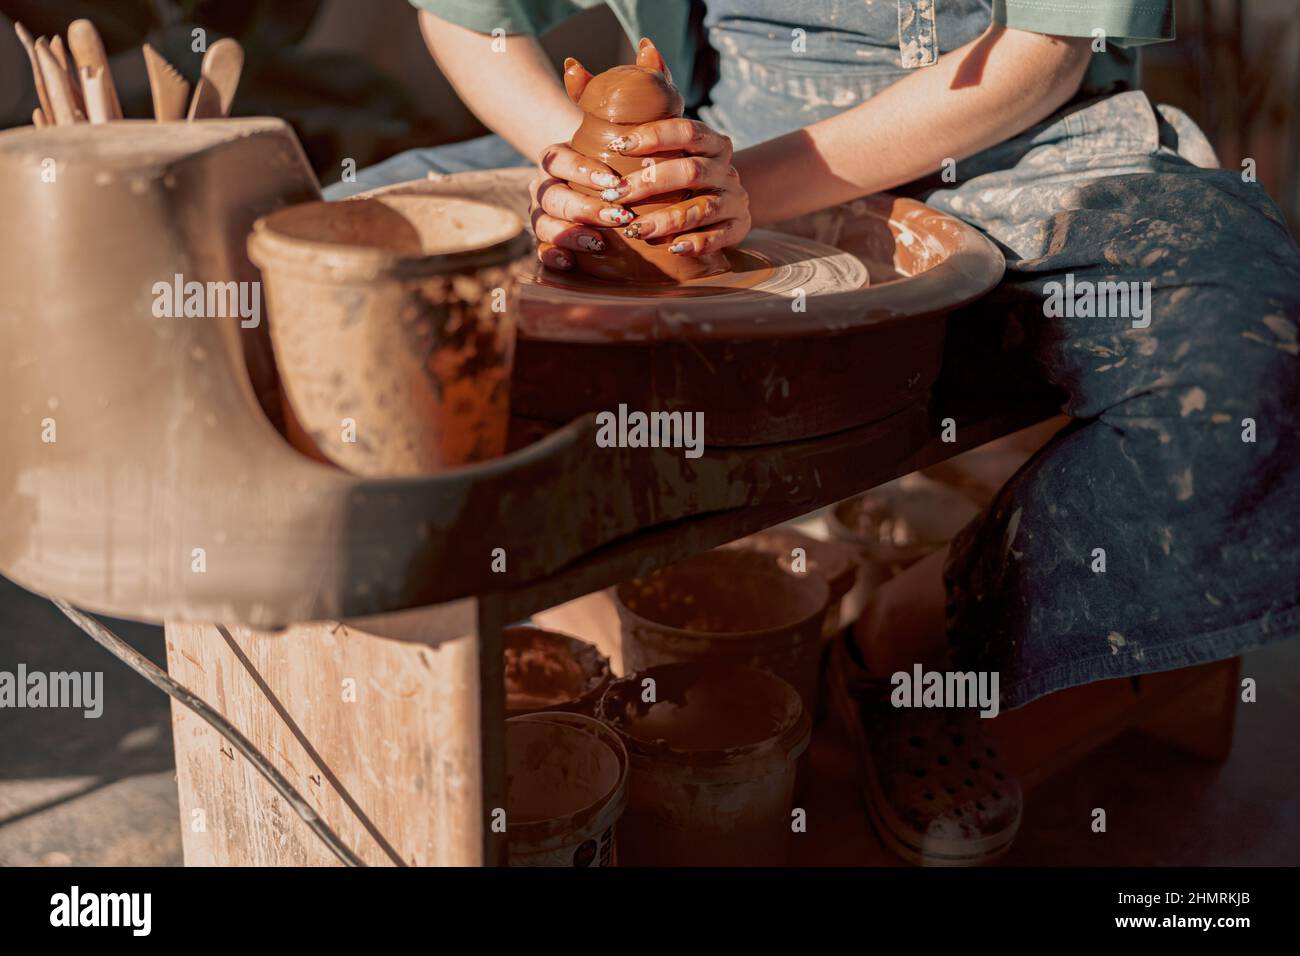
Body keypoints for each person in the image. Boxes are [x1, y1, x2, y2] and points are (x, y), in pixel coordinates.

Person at [331, 0, 1300, 864]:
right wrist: (594, 171)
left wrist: (742, 194)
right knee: (312, 262)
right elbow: (468, 16)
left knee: (1243, 374)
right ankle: (580, 631)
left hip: (1021, 149)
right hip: (719, 137)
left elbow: (1041, 49)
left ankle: (905, 644)